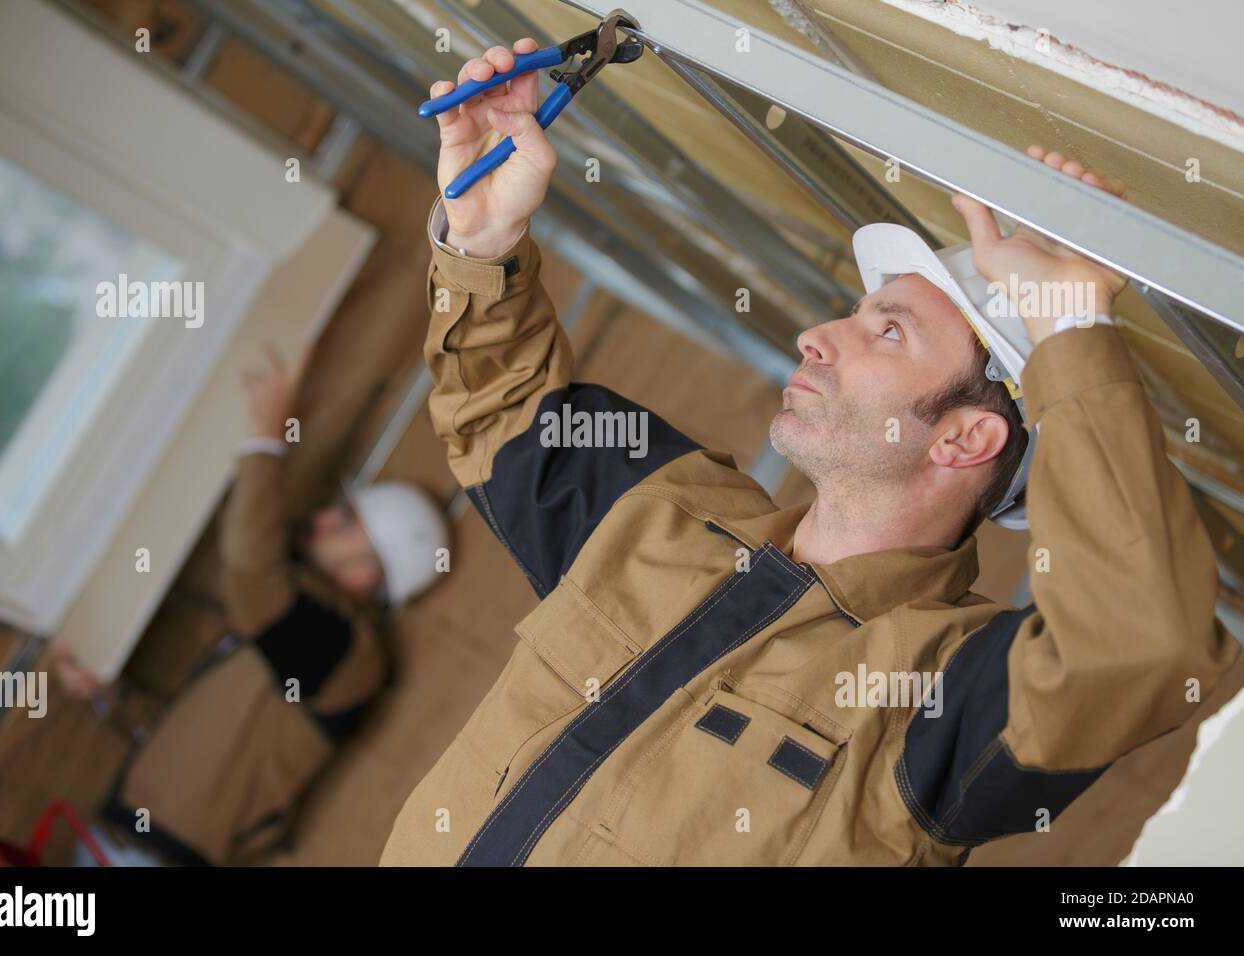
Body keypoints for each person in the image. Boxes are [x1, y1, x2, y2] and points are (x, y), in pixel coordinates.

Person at [378, 38, 1239, 867]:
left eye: (888, 331)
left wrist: (1072, 327)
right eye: (857, 312)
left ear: (967, 437)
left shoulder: (939, 693)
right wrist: (480, 242)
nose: (817, 335)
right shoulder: (664, 516)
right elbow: (506, 413)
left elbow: (1142, 646)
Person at [65, 343, 450, 864]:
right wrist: (110, 697)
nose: (323, 518)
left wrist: (268, 433)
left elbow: (250, 572)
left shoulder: (347, 652)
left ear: (362, 575)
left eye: (347, 523)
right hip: (117, 843)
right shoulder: (300, 634)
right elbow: (199, 741)